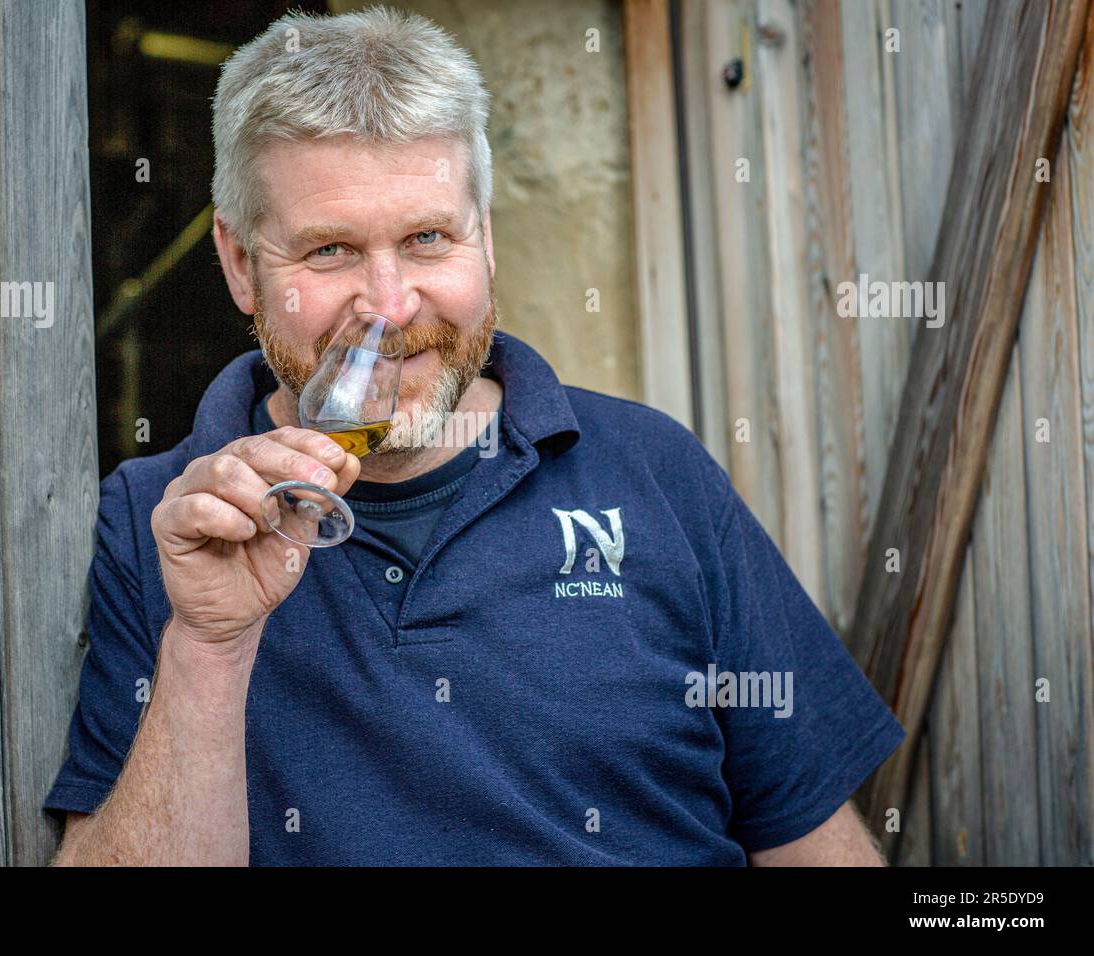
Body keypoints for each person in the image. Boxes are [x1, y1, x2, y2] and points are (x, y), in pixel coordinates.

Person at [45, 6, 904, 866]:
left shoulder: (656, 472)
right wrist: (208, 644)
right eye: (331, 250)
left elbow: (817, 849)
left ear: (485, 239)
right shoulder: (158, 521)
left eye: (427, 238)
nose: (388, 306)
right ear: (240, 264)